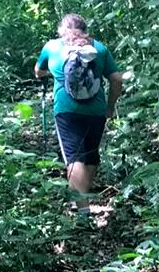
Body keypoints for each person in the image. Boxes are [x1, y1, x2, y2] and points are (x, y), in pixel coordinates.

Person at [35, 13, 124, 222]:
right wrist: (110, 107)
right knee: (90, 156)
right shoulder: (99, 48)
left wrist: (53, 74)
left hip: (67, 110)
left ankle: (83, 212)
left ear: (61, 30)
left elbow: (38, 71)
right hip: (96, 110)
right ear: (85, 29)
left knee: (74, 158)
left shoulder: (52, 47)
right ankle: (80, 199)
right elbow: (117, 79)